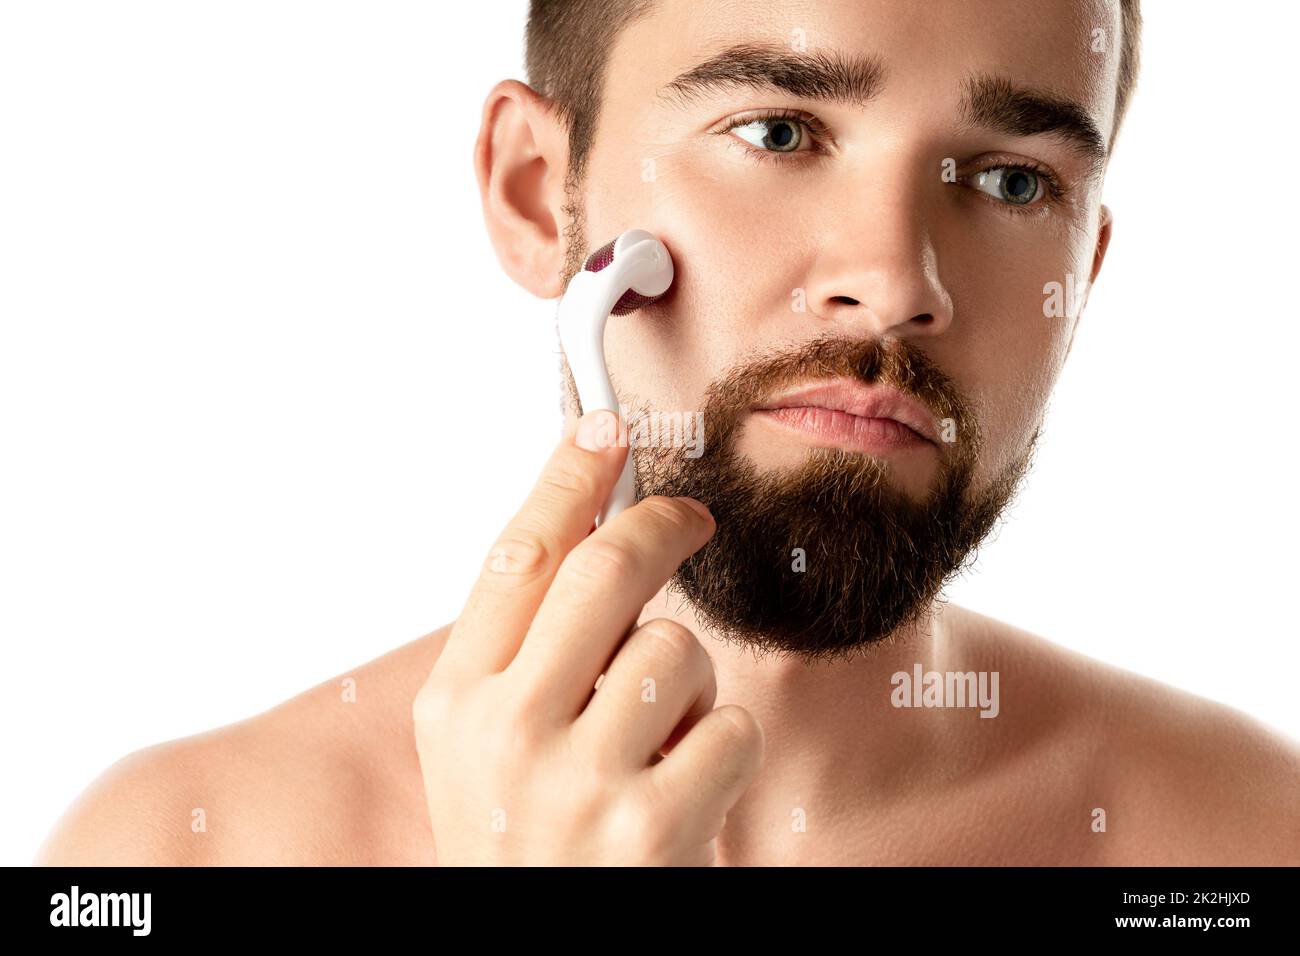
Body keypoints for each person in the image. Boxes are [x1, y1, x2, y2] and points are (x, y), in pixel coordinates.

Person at [38, 0, 1300, 866]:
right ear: (540, 193)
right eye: (778, 131)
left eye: (1013, 180)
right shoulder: (174, 850)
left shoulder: (1237, 839)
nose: (896, 278)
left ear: (1081, 275)